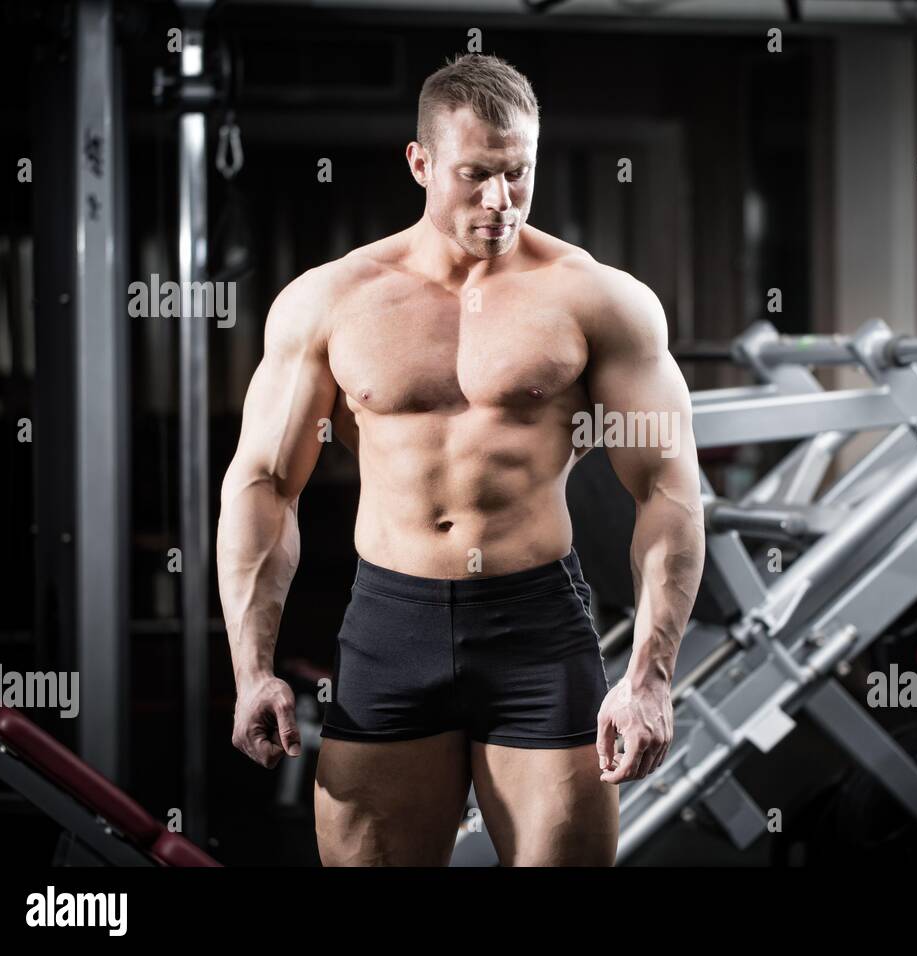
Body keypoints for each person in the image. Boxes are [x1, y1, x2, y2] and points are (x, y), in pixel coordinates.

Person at [216, 52, 704, 866]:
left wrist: (651, 675)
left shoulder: (597, 300)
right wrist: (250, 669)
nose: (500, 201)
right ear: (420, 162)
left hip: (537, 627)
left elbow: (668, 488)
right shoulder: (331, 300)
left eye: (519, 175)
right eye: (475, 175)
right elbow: (264, 485)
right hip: (390, 624)